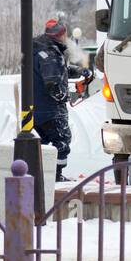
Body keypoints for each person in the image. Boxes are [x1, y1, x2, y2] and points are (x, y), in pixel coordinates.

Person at [33, 18, 91, 182]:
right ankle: (56, 176)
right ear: (60, 35)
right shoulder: (51, 54)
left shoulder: (39, 49)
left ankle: (42, 175)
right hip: (51, 108)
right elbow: (52, 81)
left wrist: (79, 71)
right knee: (62, 141)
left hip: (34, 107)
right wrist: (65, 97)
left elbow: (59, 70)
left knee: (41, 143)